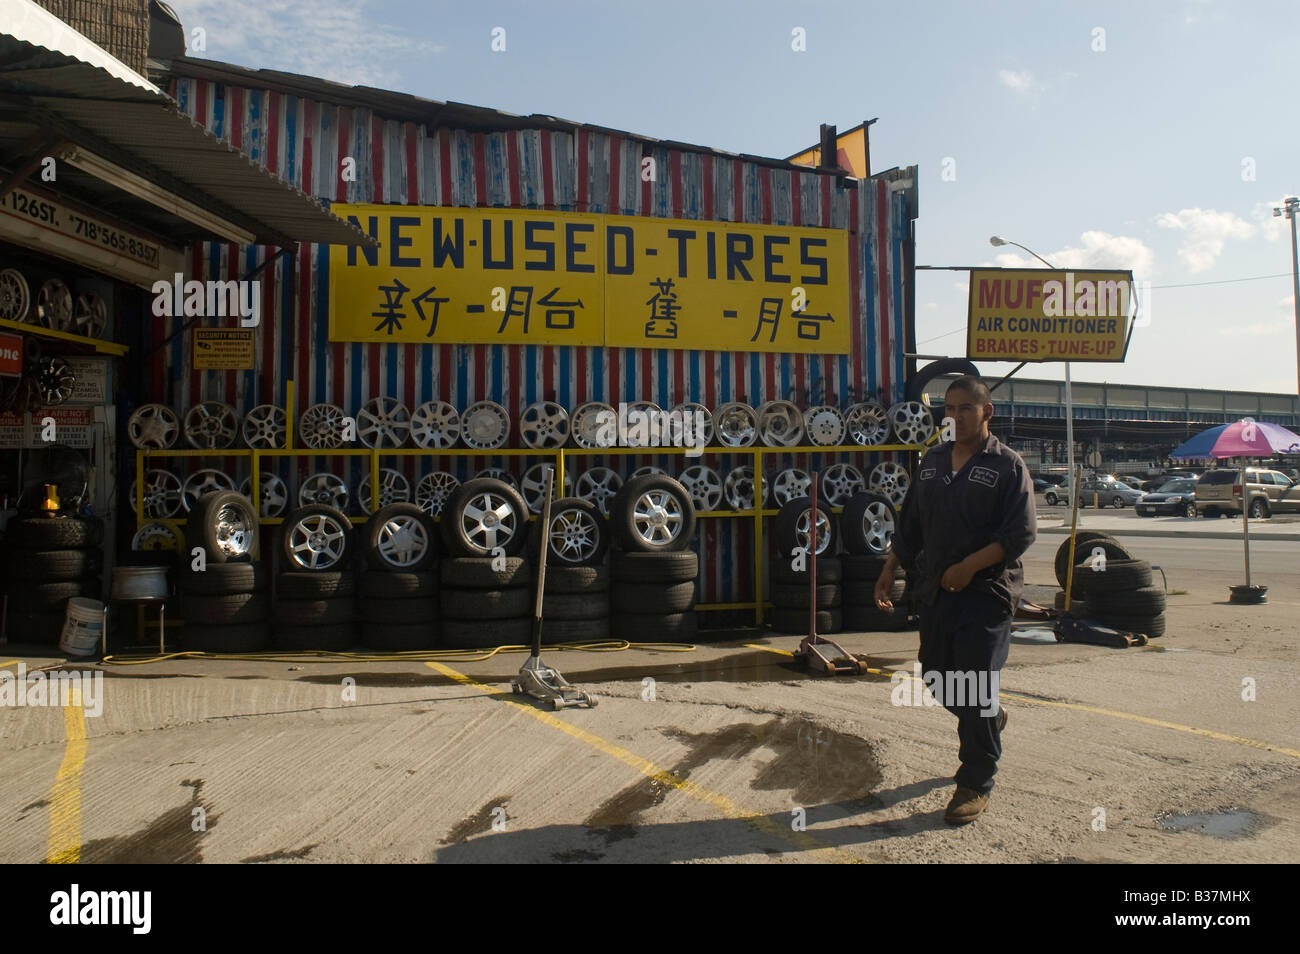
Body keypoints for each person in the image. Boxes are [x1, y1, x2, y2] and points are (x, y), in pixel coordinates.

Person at [873, 375, 1037, 825]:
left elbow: (1020, 533)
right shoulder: (932, 461)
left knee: (976, 681)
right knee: (939, 678)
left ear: (987, 413)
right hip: (937, 592)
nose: (955, 416)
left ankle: (976, 780)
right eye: (948, 408)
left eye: (965, 408)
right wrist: (890, 568)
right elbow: (911, 525)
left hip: (986, 595)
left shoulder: (1007, 466)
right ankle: (990, 717)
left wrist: (971, 567)